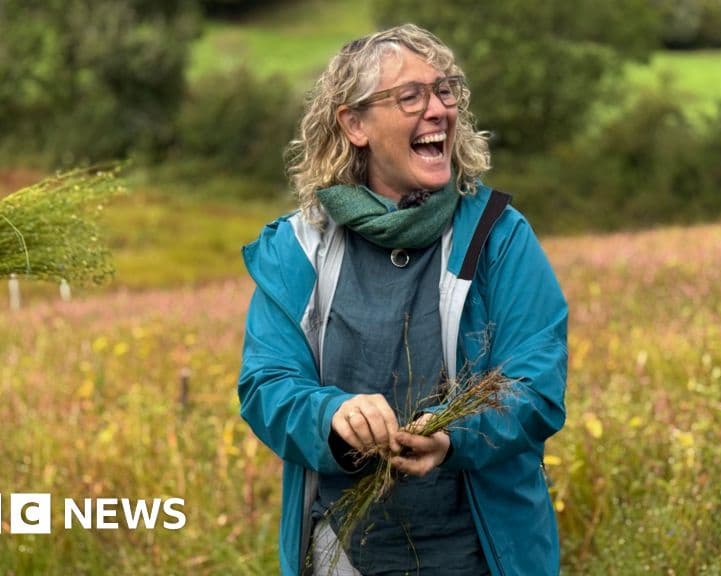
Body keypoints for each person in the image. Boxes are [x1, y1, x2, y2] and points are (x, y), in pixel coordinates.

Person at [239, 24, 568, 576]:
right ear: (355, 123)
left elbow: (537, 384)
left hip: (479, 553)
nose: (438, 109)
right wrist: (334, 415)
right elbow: (267, 385)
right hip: (344, 552)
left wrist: (450, 431)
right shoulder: (297, 249)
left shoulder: (498, 237)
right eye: (411, 96)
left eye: (445, 91)